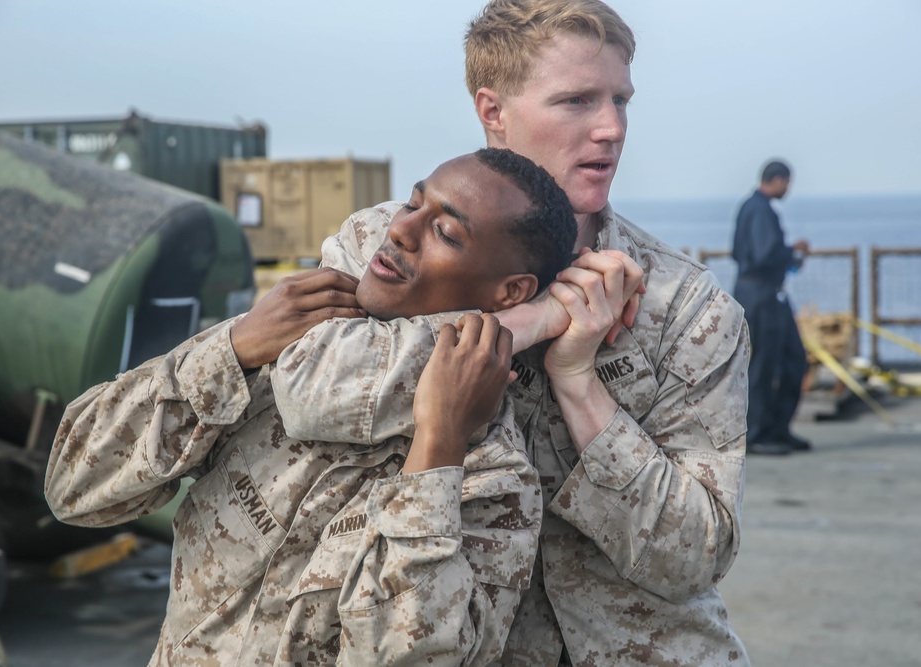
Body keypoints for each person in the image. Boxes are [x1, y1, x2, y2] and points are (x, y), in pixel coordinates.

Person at [281, 1, 752, 664]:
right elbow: (307, 391)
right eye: (576, 101)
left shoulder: (687, 308)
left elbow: (695, 557)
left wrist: (579, 382)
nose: (611, 128)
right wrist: (518, 325)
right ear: (493, 112)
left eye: (621, 100)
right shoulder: (384, 246)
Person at [45, 148, 579, 666]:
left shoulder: (493, 479)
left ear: (511, 293)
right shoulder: (288, 353)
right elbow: (74, 487)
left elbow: (405, 656)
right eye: (414, 205)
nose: (400, 231)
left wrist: (437, 448)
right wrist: (233, 348)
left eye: (445, 232)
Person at [732, 159, 811, 456]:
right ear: (777, 180)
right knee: (764, 366)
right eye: (787, 183)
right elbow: (764, 254)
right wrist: (793, 251)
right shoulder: (761, 210)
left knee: (793, 359)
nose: (788, 189)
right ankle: (758, 434)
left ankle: (778, 429)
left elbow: (738, 251)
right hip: (762, 297)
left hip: (764, 294)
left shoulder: (749, 208)